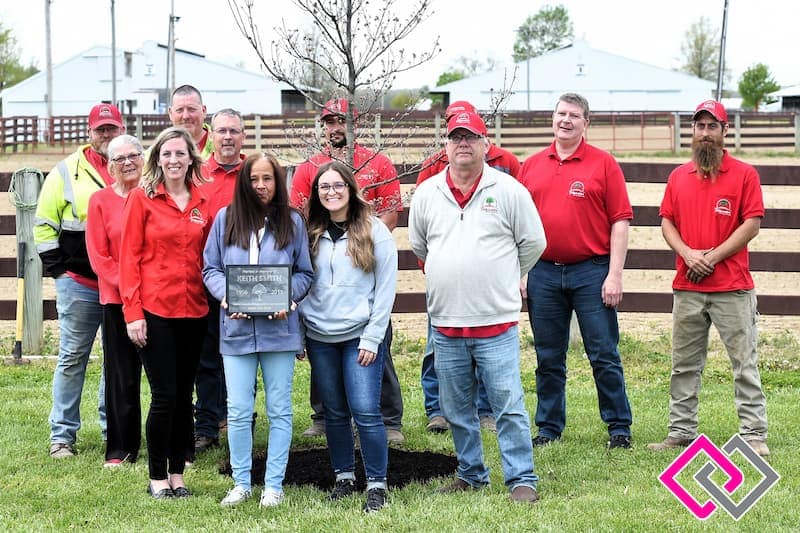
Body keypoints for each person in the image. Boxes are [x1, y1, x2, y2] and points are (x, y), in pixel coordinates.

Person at [408, 111, 546, 504]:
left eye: (471, 137)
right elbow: (420, 245)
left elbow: (534, 243)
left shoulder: (509, 190)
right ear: (446, 146)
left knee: (508, 404)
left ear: (486, 144)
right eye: (456, 137)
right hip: (446, 322)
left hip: (496, 321)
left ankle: (521, 478)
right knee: (456, 407)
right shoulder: (428, 193)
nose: (463, 144)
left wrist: (504, 276)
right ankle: (471, 473)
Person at [648, 100, 769, 457]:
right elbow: (666, 221)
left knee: (744, 363)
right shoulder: (678, 177)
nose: (704, 133)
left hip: (732, 287)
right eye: (699, 126)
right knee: (684, 364)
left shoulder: (744, 175)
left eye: (711, 126)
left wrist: (711, 257)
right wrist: (688, 254)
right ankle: (681, 430)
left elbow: (752, 224)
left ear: (724, 131)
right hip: (688, 286)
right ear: (693, 131)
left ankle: (753, 434)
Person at [519, 93, 634, 450]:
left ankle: (619, 427)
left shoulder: (603, 164)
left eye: (574, 115)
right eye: (561, 113)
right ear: (552, 118)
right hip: (543, 272)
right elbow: (517, 225)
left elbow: (620, 221)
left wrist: (615, 274)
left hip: (592, 272)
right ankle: (549, 427)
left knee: (603, 353)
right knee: (548, 356)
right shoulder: (532, 165)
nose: (566, 120)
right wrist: (521, 272)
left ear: (586, 123)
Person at [290, 97, 405, 443]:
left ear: (357, 123)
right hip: (322, 257)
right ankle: (324, 416)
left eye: (343, 120)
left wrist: (360, 240)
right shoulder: (309, 167)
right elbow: (298, 214)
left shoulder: (378, 162)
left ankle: (388, 418)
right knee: (321, 343)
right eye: (330, 121)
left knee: (376, 342)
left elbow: (390, 212)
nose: (336, 127)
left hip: (362, 261)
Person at [203, 153, 314, 507]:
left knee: (279, 409)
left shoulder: (292, 222)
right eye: (254, 179)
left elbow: (304, 273)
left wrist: (288, 296)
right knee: (238, 410)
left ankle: (274, 485)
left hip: (279, 331)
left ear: (278, 182)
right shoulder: (226, 219)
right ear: (244, 183)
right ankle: (241, 482)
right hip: (236, 331)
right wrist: (226, 296)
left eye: (268, 179)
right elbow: (210, 269)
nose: (261, 186)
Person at [416, 99, 521, 434]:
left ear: (482, 137)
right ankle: (438, 408)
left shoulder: (506, 164)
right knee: (436, 346)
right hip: (446, 288)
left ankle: (486, 410)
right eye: (453, 130)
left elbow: (526, 232)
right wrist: (436, 267)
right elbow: (420, 232)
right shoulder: (432, 167)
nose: (461, 141)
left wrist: (510, 271)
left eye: (468, 133)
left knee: (489, 349)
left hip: (489, 289)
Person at [298, 161, 398, 513]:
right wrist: (301, 333)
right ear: (316, 193)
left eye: (338, 185)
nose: (332, 192)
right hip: (320, 337)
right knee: (335, 413)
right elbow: (300, 283)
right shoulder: (308, 232)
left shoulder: (374, 230)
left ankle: (377, 484)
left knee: (366, 411)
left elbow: (385, 289)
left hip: (360, 337)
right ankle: (343, 477)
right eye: (324, 187)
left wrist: (373, 337)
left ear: (350, 189)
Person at [119, 127, 211, 499]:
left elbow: (209, 258)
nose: (173, 160)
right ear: (157, 158)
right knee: (165, 395)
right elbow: (128, 259)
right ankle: (157, 476)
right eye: (167, 153)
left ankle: (177, 474)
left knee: (184, 395)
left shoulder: (203, 202)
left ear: (191, 158)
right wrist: (133, 313)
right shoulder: (141, 199)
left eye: (180, 153)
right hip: (155, 311)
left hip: (194, 311)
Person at [35, 103, 125, 458]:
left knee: (115, 361)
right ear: (90, 132)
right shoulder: (66, 171)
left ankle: (112, 432)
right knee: (73, 358)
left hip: (119, 285)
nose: (107, 135)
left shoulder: (133, 164)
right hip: (79, 282)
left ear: (122, 129)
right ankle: (62, 435)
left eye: (112, 128)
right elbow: (44, 224)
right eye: (101, 129)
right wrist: (58, 271)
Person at [86, 134, 145, 467]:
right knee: (121, 377)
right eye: (119, 158)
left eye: (132, 155)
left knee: (167, 376)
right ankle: (122, 447)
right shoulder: (99, 201)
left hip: (156, 299)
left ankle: (175, 445)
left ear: (143, 158)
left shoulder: (154, 195)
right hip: (116, 301)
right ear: (109, 166)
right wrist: (129, 288)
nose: (127, 163)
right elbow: (100, 257)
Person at [193, 108, 248, 456]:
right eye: (222, 131)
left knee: (243, 353)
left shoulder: (254, 175)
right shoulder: (197, 174)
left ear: (243, 136)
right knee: (207, 358)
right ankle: (207, 424)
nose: (227, 137)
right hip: (205, 277)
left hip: (246, 282)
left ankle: (241, 418)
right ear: (211, 135)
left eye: (234, 131)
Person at [168, 84, 214, 158]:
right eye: (179, 110)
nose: (185, 116)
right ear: (170, 113)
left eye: (191, 109)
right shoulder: (156, 152)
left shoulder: (220, 145)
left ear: (204, 111)